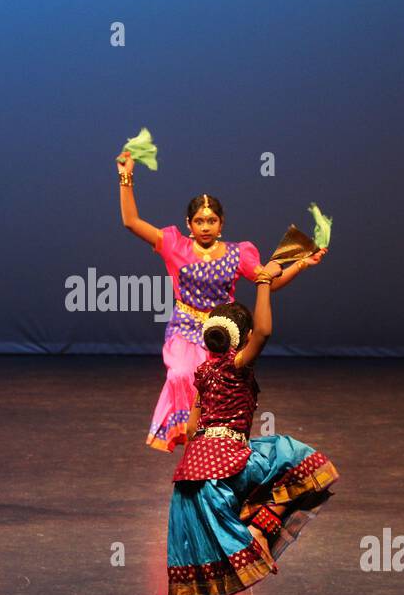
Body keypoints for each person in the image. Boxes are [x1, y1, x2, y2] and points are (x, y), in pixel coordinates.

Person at [166, 260, 338, 595]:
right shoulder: (234, 366)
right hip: (226, 463)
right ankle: (257, 536)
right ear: (239, 341)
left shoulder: (203, 371)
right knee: (296, 460)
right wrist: (262, 283)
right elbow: (264, 331)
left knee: (202, 566)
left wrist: (188, 437)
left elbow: (190, 427)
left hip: (191, 474)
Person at [116, 151, 325, 451]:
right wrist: (126, 177)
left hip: (223, 334)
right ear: (189, 223)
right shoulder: (174, 245)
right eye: (199, 221)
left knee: (219, 390)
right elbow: (131, 222)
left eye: (211, 220)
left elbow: (270, 282)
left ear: (221, 223)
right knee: (181, 374)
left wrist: (301, 264)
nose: (205, 226)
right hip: (184, 330)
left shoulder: (238, 253)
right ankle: (191, 439)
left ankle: (213, 445)